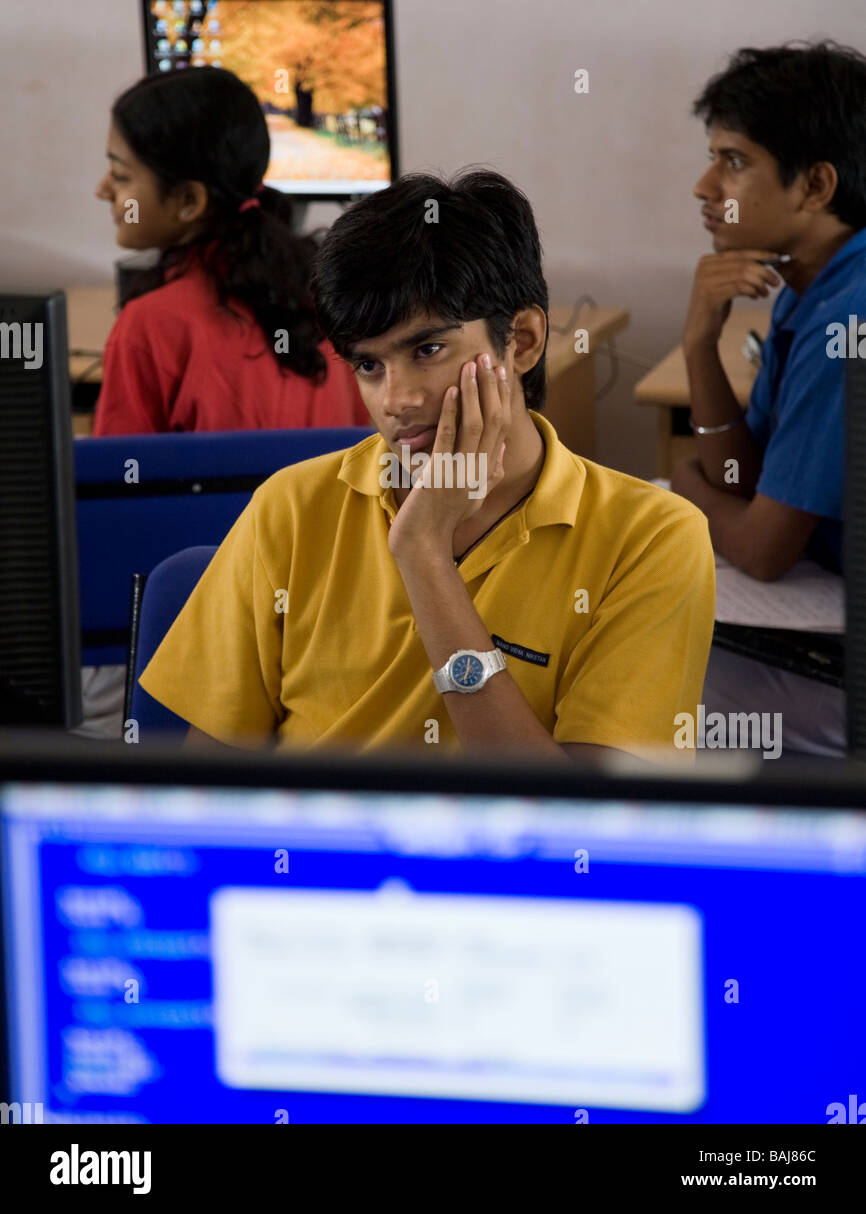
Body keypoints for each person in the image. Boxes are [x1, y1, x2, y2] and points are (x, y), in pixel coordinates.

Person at [139, 169, 715, 761]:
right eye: (369, 366)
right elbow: (211, 794)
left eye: (428, 350)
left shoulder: (651, 539)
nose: (396, 400)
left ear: (521, 340)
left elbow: (582, 834)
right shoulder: (290, 507)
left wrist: (423, 553)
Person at [670, 41, 866, 753]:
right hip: (831, 615)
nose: (703, 185)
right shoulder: (810, 284)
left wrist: (688, 494)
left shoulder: (851, 316)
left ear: (814, 186)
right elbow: (743, 481)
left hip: (846, 660)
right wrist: (699, 341)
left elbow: (761, 547)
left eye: (733, 160)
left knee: (643, 703)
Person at [92, 66, 368, 434]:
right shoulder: (336, 302)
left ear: (189, 200)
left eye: (121, 176)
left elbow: (118, 483)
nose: (102, 189)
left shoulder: (149, 326)